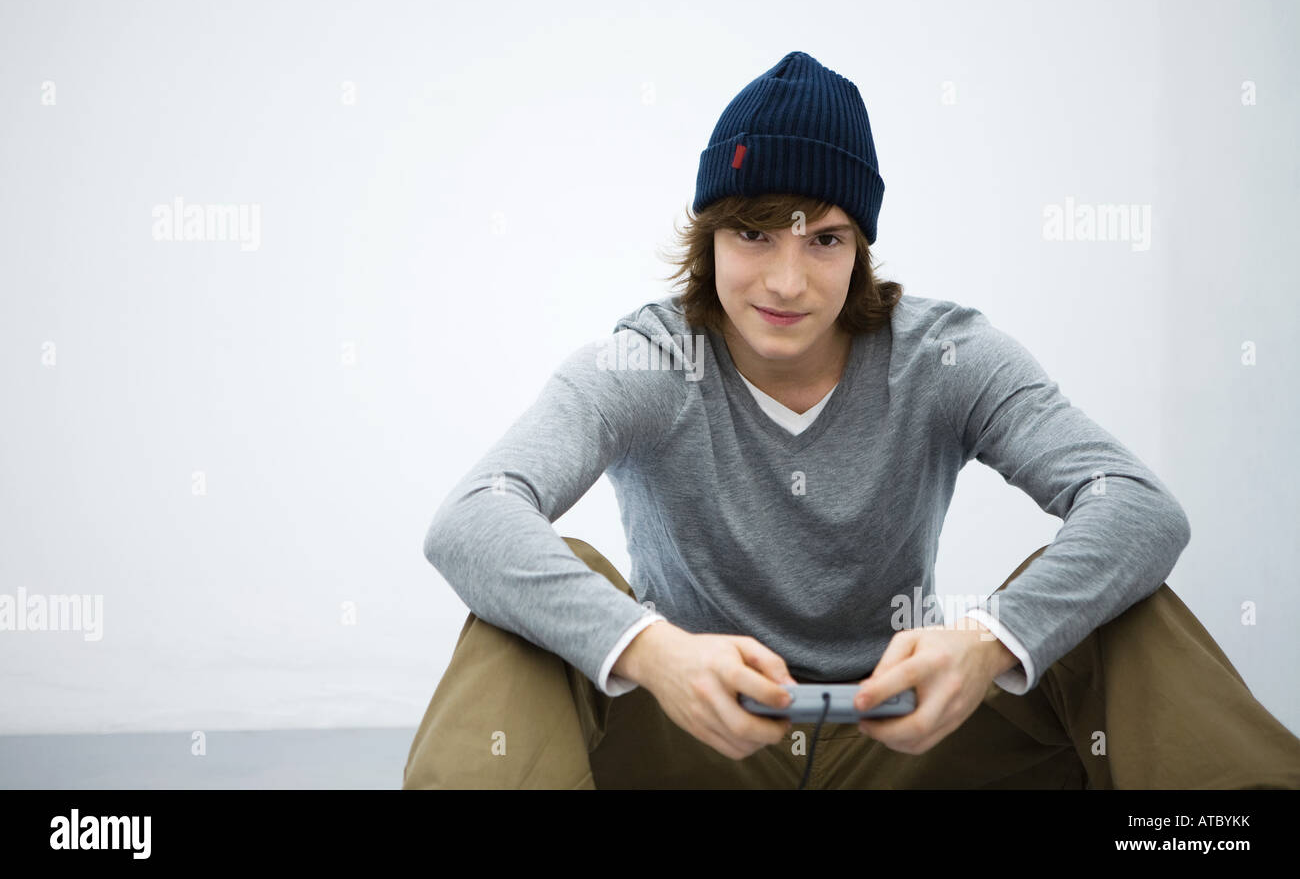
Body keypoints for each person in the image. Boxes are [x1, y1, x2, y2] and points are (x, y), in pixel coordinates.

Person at [403, 52, 1300, 789]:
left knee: (1109, 602)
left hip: (907, 743)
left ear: (860, 246)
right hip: (695, 742)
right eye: (755, 233)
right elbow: (474, 514)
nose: (787, 281)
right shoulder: (652, 359)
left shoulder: (944, 355)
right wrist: (652, 651)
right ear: (708, 238)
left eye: (823, 238)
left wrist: (987, 642)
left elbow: (1140, 506)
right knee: (526, 601)